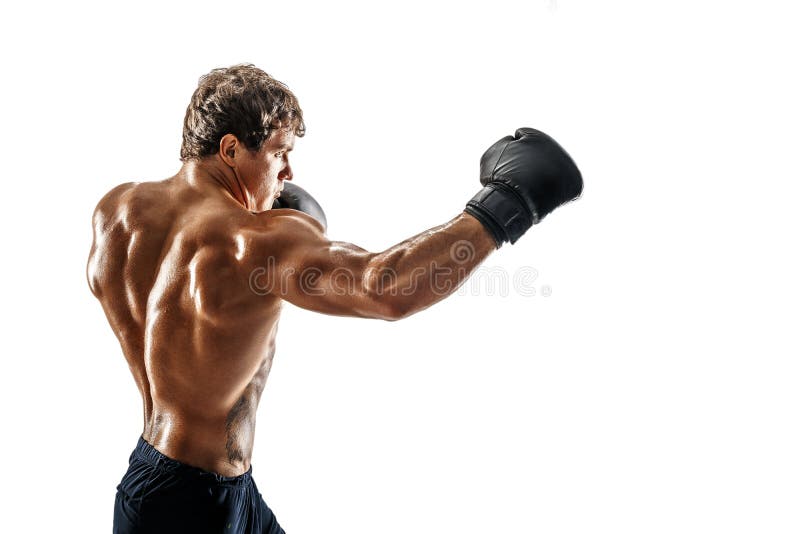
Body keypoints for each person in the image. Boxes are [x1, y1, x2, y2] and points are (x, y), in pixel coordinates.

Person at [87, 64, 583, 534]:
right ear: (231, 149)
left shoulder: (119, 213)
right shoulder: (252, 241)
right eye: (280, 153)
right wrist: (505, 205)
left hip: (157, 480)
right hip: (194, 507)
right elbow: (385, 287)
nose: (287, 173)